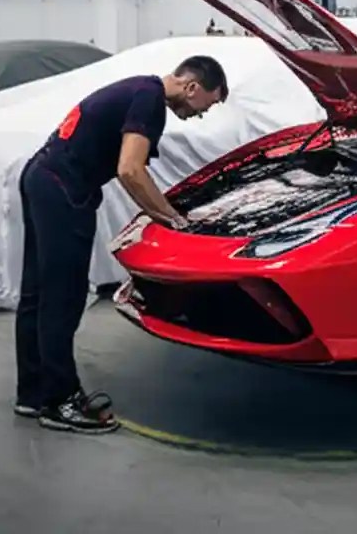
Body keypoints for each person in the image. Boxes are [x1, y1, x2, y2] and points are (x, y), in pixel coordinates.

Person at [14, 55, 229, 434]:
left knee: (39, 293)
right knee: (63, 297)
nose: (201, 115)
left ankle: (32, 394)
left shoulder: (139, 88)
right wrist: (174, 220)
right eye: (206, 105)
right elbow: (130, 169)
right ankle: (59, 401)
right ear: (192, 87)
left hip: (40, 176)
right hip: (63, 189)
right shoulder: (149, 99)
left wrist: (164, 211)